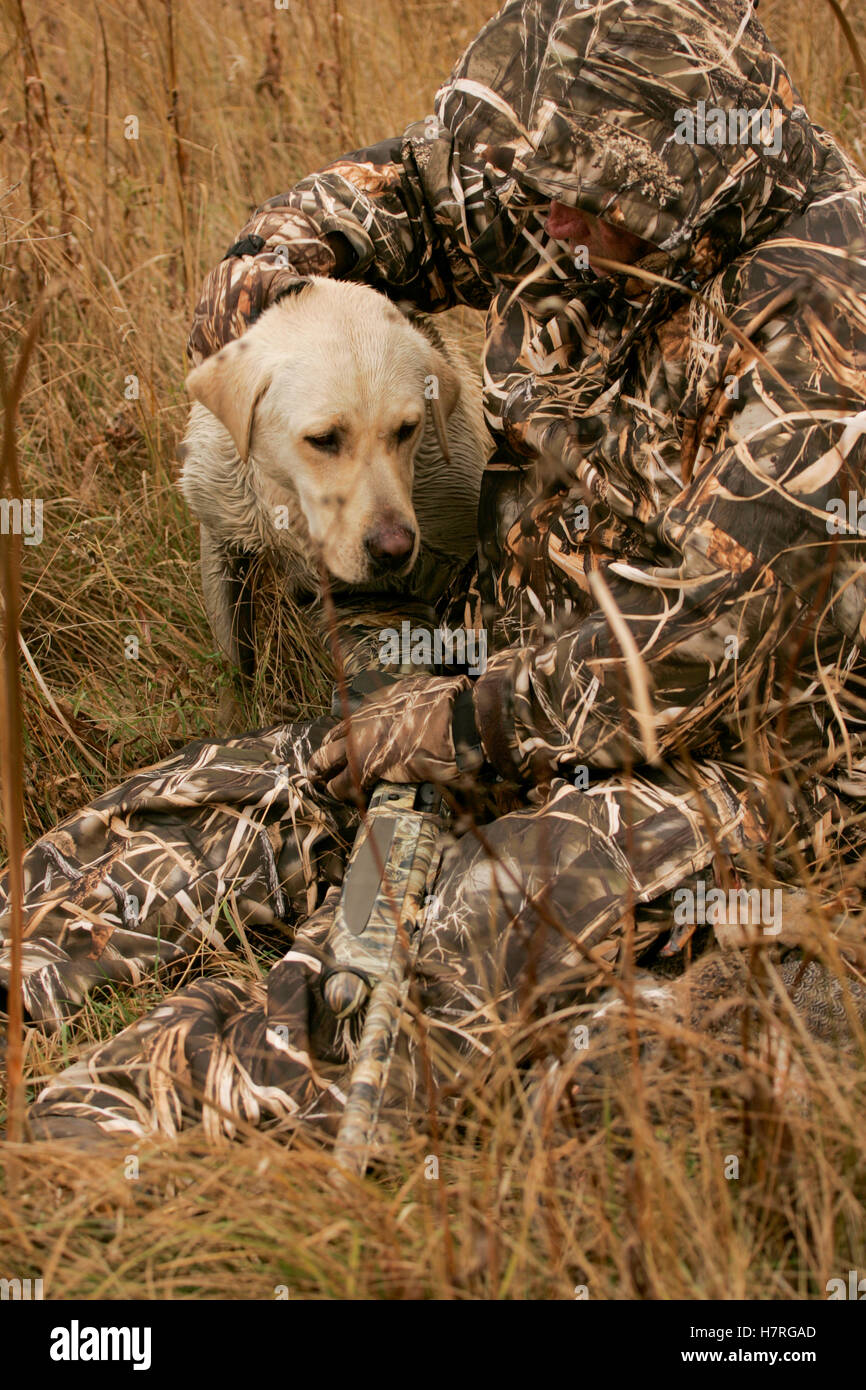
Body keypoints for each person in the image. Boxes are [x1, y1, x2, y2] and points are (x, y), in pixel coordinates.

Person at [2, 0, 866, 1145]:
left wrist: (457, 727)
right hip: (494, 669)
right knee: (204, 816)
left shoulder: (823, 318)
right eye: (534, 183)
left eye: (583, 203)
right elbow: (412, 189)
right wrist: (267, 274)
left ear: (678, 180)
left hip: (740, 761)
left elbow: (695, 646)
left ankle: (99, 1136)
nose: (541, 219)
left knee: (446, 939)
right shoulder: (576, 165)